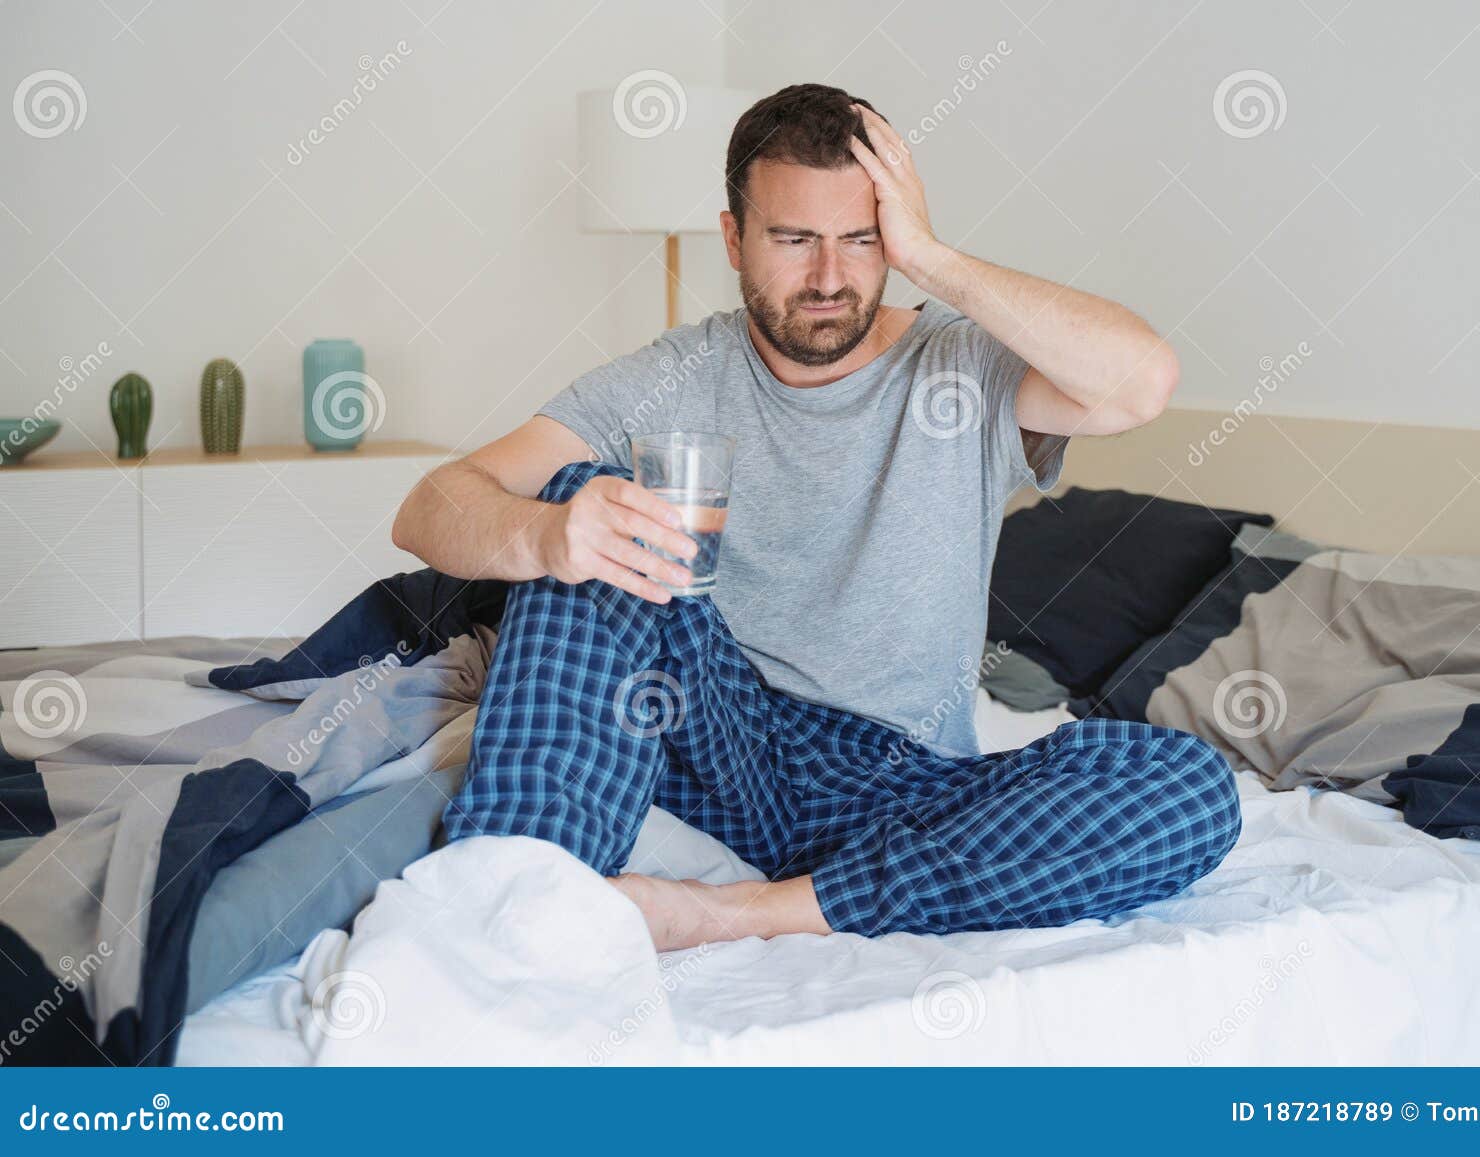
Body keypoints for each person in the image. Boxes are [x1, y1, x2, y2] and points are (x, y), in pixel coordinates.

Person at [392, 84, 1239, 949]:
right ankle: (518, 911)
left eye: (861, 240)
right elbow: (431, 506)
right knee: (586, 502)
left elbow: (1142, 381)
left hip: (909, 782)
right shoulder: (675, 374)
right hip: (725, 741)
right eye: (795, 240)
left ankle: (739, 912)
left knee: (1189, 789)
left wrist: (930, 255)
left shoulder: (964, 367)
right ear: (734, 239)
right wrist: (550, 533)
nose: (831, 278)